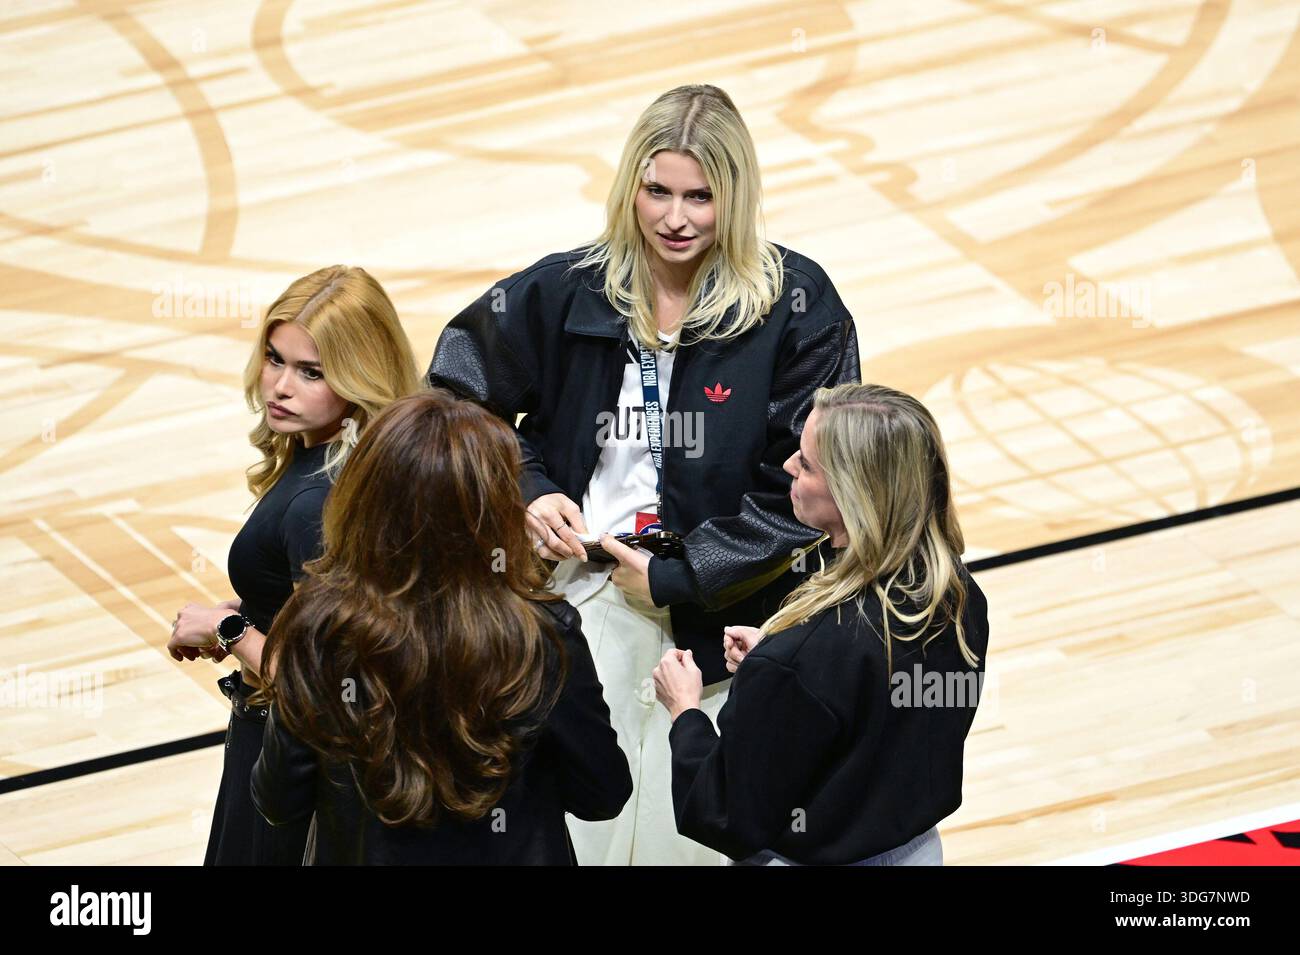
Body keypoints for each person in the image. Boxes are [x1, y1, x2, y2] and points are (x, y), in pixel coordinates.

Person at [425, 84, 860, 865]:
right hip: (584, 597)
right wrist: (529, 488)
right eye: (657, 191)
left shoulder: (799, 307)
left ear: (738, 195)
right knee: (581, 834)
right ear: (631, 185)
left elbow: (809, 493)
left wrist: (679, 574)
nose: (676, 218)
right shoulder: (567, 288)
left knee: (684, 836)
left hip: (725, 621)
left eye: (702, 196)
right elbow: (455, 395)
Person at [249, 390, 633, 864]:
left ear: (363, 496)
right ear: (490, 507)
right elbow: (602, 794)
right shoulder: (544, 631)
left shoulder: (319, 625)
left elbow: (278, 798)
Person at [653, 383, 991, 865]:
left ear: (854, 491)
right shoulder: (957, 594)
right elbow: (869, 719)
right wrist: (776, 668)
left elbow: (723, 811)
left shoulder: (802, 659)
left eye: (807, 464)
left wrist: (685, 711)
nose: (788, 465)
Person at [167, 265, 420, 865]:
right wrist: (259, 608)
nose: (281, 386)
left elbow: (331, 686)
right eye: (275, 359)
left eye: (312, 372)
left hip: (294, 767)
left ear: (362, 376)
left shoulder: (317, 502)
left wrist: (229, 631)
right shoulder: (357, 463)